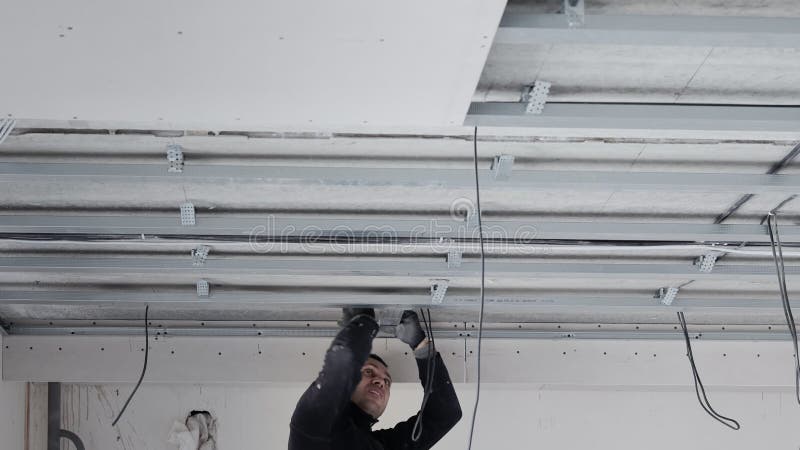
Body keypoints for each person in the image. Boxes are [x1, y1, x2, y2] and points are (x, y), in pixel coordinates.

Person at [289, 308, 462, 449]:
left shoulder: (314, 421)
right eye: (369, 372)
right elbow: (445, 415)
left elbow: (341, 364)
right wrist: (422, 347)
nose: (381, 382)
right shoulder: (312, 427)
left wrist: (363, 323)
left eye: (386, 380)